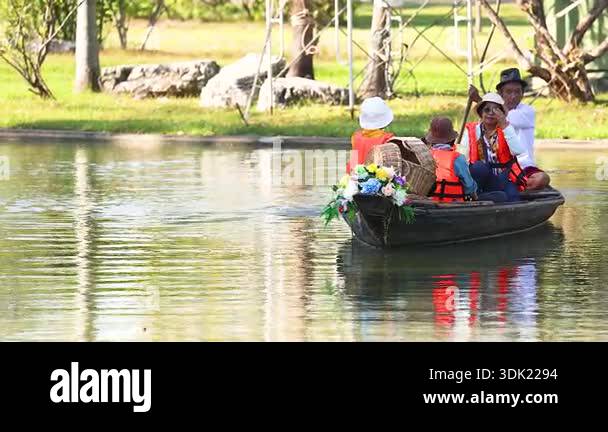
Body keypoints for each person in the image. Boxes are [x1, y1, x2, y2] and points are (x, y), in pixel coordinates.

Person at [458, 92, 528, 202]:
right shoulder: (472, 131)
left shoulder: (506, 129)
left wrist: (504, 124)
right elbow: (462, 158)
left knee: (513, 199)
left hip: (502, 177)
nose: (491, 113)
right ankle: (476, 195)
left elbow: (517, 151)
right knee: (479, 167)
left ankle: (485, 197)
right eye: (487, 110)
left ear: (501, 114)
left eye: (495, 110)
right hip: (479, 178)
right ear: (481, 113)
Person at [496, 68, 550, 190]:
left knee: (543, 178)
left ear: (522, 93)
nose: (513, 96)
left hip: (523, 166)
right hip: (499, 167)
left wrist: (482, 101)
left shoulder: (528, 111)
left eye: (517, 92)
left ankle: (521, 187)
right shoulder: (491, 113)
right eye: (508, 92)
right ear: (501, 93)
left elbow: (504, 117)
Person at [424, 117, 478, 202]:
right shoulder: (457, 158)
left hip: (429, 201)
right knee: (499, 195)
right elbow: (469, 186)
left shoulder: (425, 156)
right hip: (453, 203)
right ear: (452, 140)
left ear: (431, 140)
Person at [346, 97, 394, 173]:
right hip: (378, 180)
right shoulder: (388, 139)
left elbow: (352, 163)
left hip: (353, 179)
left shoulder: (356, 137)